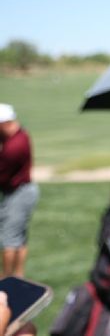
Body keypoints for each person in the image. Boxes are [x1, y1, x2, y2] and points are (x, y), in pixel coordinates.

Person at [0, 104, 39, 278]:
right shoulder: (21, 135)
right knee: (19, 237)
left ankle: (7, 279)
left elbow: (2, 176)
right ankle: (18, 276)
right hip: (25, 191)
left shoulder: (13, 147)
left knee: (9, 239)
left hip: (18, 193)